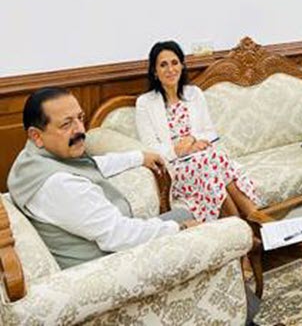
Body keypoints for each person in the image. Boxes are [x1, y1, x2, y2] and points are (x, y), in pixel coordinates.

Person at [7, 87, 197, 269]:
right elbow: (118, 236)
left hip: (105, 247)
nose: (80, 130)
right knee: (193, 224)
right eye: (66, 124)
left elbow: (90, 165)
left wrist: (139, 157)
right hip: (107, 266)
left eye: (80, 118)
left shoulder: (32, 160)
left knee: (184, 214)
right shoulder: (60, 185)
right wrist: (179, 229)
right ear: (36, 135)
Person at [136, 41, 261, 222]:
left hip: (204, 159)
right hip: (175, 166)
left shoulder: (194, 94)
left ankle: (251, 226)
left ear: (182, 65)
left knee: (212, 162)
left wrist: (193, 139)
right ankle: (252, 225)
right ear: (155, 72)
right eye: (163, 65)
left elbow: (209, 132)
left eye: (174, 62)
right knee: (211, 163)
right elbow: (149, 147)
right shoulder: (145, 103)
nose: (170, 69)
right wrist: (180, 149)